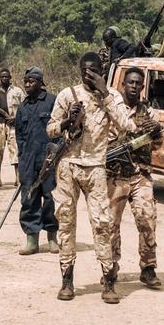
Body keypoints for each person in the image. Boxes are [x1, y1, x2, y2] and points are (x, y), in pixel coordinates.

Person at [47, 52, 138, 303]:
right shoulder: (68, 95)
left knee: (102, 223)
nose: (89, 74)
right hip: (68, 165)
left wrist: (105, 94)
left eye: (94, 70)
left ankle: (108, 283)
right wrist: (66, 121)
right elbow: (51, 129)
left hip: (96, 166)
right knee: (65, 222)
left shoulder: (113, 97)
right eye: (85, 70)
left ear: (102, 70)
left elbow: (127, 126)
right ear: (79, 70)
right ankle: (67, 281)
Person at [105, 66, 164, 291]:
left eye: (137, 83)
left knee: (147, 219)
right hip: (115, 176)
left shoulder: (150, 113)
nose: (133, 86)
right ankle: (110, 269)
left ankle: (148, 269)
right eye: (130, 82)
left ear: (142, 87)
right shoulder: (111, 111)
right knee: (111, 225)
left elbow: (158, 146)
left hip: (140, 175)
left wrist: (157, 132)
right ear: (123, 84)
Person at [15, 67, 59, 255]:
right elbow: (19, 135)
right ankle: (32, 240)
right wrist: (23, 157)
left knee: (50, 199)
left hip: (49, 159)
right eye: (25, 81)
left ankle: (52, 237)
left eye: (31, 81)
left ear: (41, 82)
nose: (27, 84)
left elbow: (60, 129)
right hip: (28, 161)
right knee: (29, 199)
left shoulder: (52, 101)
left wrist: (56, 154)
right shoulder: (23, 107)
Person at [0, 68, 24, 187]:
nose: (4, 78)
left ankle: (17, 177)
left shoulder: (17, 91)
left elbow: (23, 106)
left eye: (6, 76)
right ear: (0, 78)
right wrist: (5, 115)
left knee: (15, 150)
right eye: (2, 77)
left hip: (14, 125)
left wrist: (15, 118)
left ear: (10, 77)